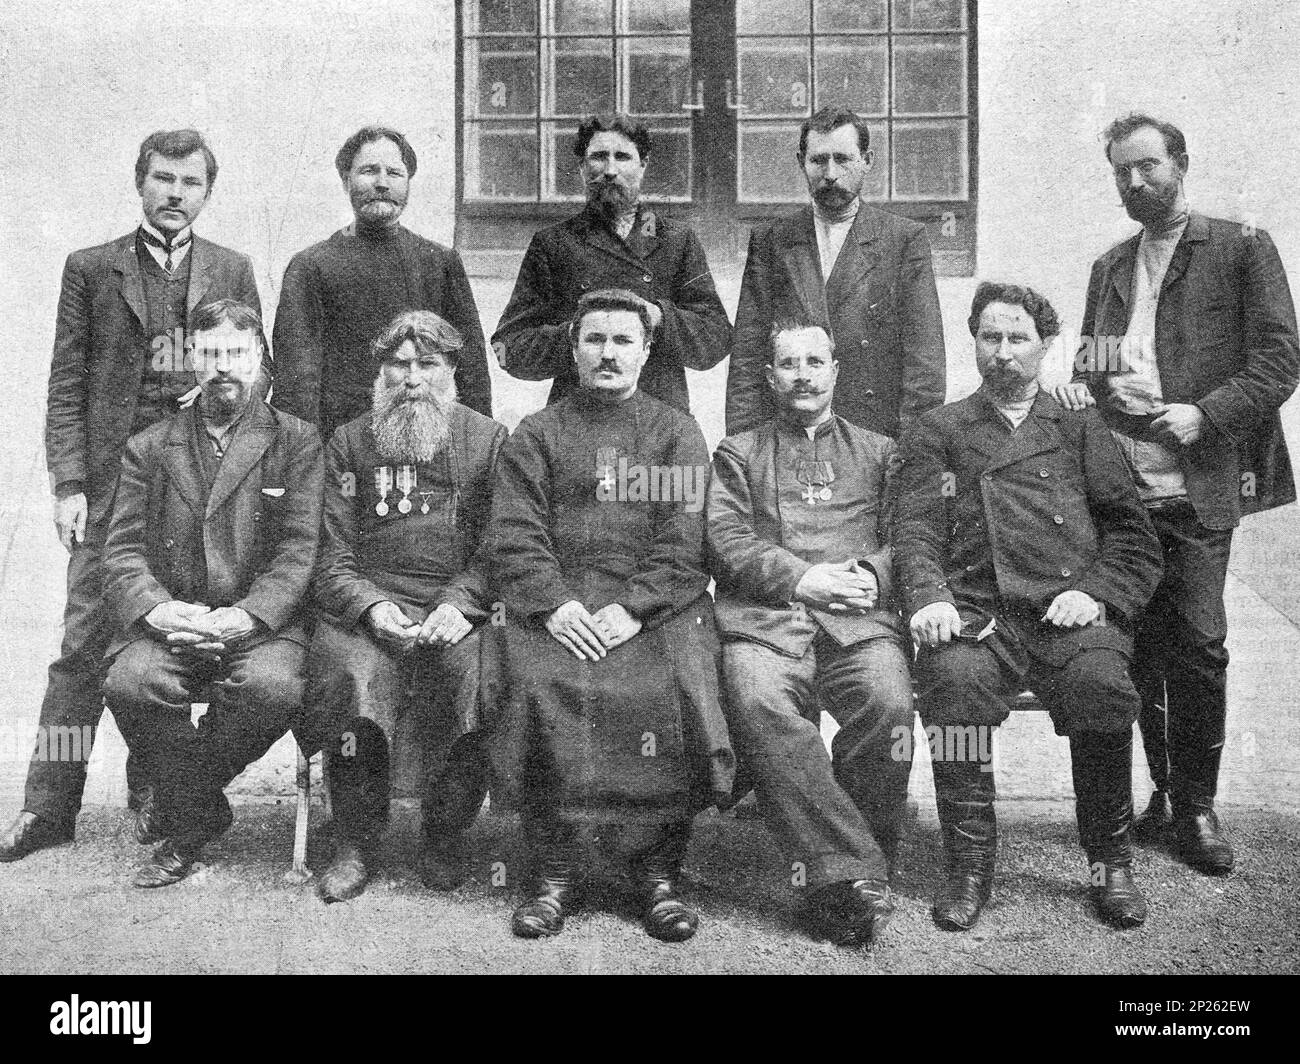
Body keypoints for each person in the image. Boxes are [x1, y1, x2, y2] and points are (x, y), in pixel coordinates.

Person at [0, 130, 263, 862]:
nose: (176, 194)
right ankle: (48, 805)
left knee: (163, 638)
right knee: (82, 646)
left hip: (196, 485)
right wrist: (70, 485)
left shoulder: (231, 267)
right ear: (140, 182)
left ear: (208, 192)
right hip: (114, 487)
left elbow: (255, 366)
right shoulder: (90, 268)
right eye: (163, 179)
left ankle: (159, 791)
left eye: (190, 182)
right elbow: (67, 383)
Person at [1054, 114, 1299, 875]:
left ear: (1181, 163)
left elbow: (1281, 360)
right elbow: (1092, 358)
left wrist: (1205, 412)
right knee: (1139, 649)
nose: (1134, 183)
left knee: (1197, 645)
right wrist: (1088, 386)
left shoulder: (1240, 247)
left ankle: (1194, 807)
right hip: (1122, 490)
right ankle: (1150, 805)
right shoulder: (1110, 265)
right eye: (1122, 172)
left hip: (1195, 485)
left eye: (1148, 167)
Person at [895, 282, 1163, 930]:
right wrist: (930, 599)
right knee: (953, 686)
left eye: (1018, 338)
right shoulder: (941, 429)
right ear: (976, 342)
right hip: (978, 612)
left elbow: (1132, 534)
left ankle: (1110, 864)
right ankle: (967, 868)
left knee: (1101, 686)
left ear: (1045, 345)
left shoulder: (1078, 425)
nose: (1004, 352)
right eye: (991, 337)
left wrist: (1093, 592)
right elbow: (916, 533)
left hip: (1066, 611)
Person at [487, 288, 734, 941]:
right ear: (572, 348)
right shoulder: (537, 434)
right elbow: (515, 533)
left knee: (676, 675)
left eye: (623, 341)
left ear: (647, 351)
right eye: (594, 339)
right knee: (543, 680)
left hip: (651, 603)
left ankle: (657, 872)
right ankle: (554, 870)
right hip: (562, 600)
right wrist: (555, 604)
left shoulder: (675, 431)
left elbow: (686, 539)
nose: (607, 353)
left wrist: (635, 609)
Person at [99, 300, 323, 887]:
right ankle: (203, 807)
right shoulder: (149, 446)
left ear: (259, 359)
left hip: (260, 627)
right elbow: (120, 550)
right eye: (211, 354)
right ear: (192, 360)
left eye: (238, 354)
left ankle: (184, 809)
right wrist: (159, 608)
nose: (224, 367)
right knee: (132, 683)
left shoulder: (296, 441)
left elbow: (301, 551)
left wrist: (248, 616)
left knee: (273, 688)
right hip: (175, 622)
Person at [706, 320, 911, 947]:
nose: (802, 375)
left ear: (835, 371)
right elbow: (726, 540)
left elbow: (912, 536)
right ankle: (851, 873)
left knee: (888, 706)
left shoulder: (880, 452)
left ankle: (843, 869)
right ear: (769, 377)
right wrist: (802, 578)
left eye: (814, 362)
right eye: (788, 364)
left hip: (858, 618)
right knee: (759, 703)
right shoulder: (738, 452)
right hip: (768, 620)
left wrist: (873, 576)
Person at [306, 311, 506, 902]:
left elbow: (502, 546)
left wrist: (461, 604)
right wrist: (370, 608)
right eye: (398, 364)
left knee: (481, 676)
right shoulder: (348, 442)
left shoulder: (488, 442)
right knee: (353, 677)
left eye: (428, 365)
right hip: (368, 603)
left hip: (459, 604)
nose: (411, 379)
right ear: (380, 371)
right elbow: (329, 555)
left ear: (453, 372)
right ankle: (356, 837)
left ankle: (446, 830)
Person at [726, 106, 946, 438]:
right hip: (788, 432)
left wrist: (912, 454)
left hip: (873, 434)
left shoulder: (903, 240)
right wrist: (745, 449)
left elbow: (924, 366)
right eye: (818, 160)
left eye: (843, 159)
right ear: (802, 161)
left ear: (867, 161)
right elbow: (747, 357)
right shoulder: (772, 240)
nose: (830, 173)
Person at [492, 113, 730, 414]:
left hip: (660, 417)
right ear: (581, 167)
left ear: (643, 165)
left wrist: (657, 318)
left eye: (623, 157)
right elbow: (508, 347)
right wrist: (579, 335)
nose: (610, 170)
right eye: (599, 157)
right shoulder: (553, 244)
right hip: (574, 417)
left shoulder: (676, 241)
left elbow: (717, 337)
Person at [272, 126, 492, 440]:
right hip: (342, 445)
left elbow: (471, 368)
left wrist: (479, 446)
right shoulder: (311, 266)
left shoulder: (440, 262)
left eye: (394, 173)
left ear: (408, 182)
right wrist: (301, 460)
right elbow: (296, 384)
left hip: (426, 437)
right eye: (368, 171)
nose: (382, 183)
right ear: (345, 180)